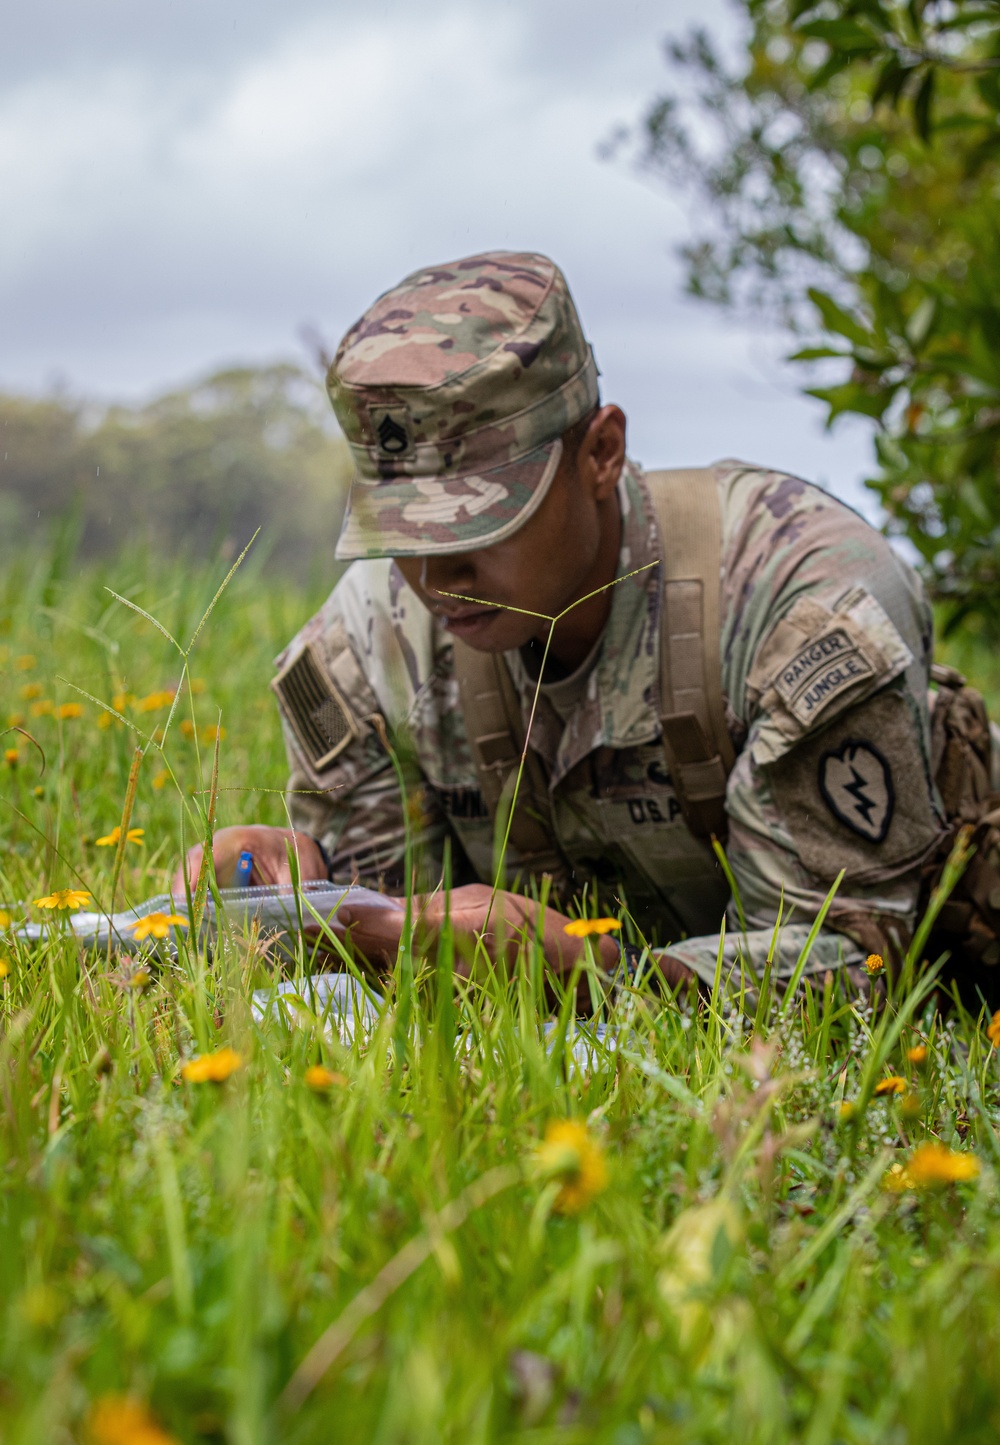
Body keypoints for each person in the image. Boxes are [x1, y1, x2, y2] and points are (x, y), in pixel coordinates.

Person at [174, 250, 944, 991]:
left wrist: (607, 981)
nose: (437, 578)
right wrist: (295, 900)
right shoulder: (368, 646)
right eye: (404, 533)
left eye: (478, 523)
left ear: (602, 453)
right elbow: (391, 959)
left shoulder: (798, 597)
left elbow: (854, 968)